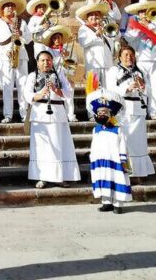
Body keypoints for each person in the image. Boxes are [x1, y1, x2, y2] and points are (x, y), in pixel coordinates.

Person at [23, 51, 80, 189]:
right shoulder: (33, 76)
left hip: (57, 113)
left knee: (58, 145)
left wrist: (55, 89)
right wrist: (41, 93)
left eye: (48, 60)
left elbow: (69, 92)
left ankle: (59, 177)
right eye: (42, 60)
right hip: (39, 114)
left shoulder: (59, 74)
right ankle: (42, 177)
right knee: (41, 148)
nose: (46, 63)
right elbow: (27, 94)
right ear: (37, 63)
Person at [106, 45, 155, 181]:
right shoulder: (114, 71)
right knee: (125, 143)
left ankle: (138, 172)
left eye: (131, 55)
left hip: (138, 109)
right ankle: (126, 172)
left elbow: (149, 91)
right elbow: (110, 89)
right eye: (126, 55)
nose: (129, 57)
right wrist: (127, 88)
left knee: (139, 143)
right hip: (123, 110)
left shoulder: (140, 71)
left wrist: (143, 86)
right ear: (120, 57)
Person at [86, 83, 131, 214]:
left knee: (116, 179)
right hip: (100, 159)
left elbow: (123, 145)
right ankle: (106, 202)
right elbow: (94, 144)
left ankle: (117, 204)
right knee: (102, 178)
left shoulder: (118, 130)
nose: (101, 114)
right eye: (99, 112)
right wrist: (92, 157)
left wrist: (123, 159)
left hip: (115, 160)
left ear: (111, 114)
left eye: (104, 112)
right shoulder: (96, 129)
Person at [123, 0, 156, 119]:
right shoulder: (134, 24)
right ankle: (143, 110)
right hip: (141, 59)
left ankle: (153, 112)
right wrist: (139, 29)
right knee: (143, 86)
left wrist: (149, 26)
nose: (143, 14)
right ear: (138, 14)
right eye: (141, 12)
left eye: (146, 11)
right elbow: (127, 37)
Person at [0, 0, 30, 124]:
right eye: (7, 6)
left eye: (12, 6)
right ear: (2, 9)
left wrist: (21, 33)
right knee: (7, 87)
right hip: (6, 58)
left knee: (23, 86)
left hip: (21, 56)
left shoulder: (21, 22)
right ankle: (8, 115)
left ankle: (24, 114)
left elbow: (29, 39)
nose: (10, 8)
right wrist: (4, 52)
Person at [76, 0, 118, 89]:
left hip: (108, 64)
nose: (94, 16)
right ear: (87, 17)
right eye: (91, 15)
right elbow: (83, 43)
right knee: (92, 91)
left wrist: (106, 29)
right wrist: (96, 34)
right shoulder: (84, 28)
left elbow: (116, 36)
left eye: (96, 14)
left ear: (100, 16)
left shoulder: (106, 26)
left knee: (109, 90)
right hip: (93, 66)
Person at [41, 25, 76, 122]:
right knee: (54, 95)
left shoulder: (66, 48)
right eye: (55, 38)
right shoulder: (48, 50)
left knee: (69, 94)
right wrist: (60, 57)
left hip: (65, 74)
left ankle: (71, 115)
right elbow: (49, 63)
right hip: (54, 74)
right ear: (52, 40)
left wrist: (66, 56)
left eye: (59, 37)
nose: (57, 40)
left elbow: (73, 63)